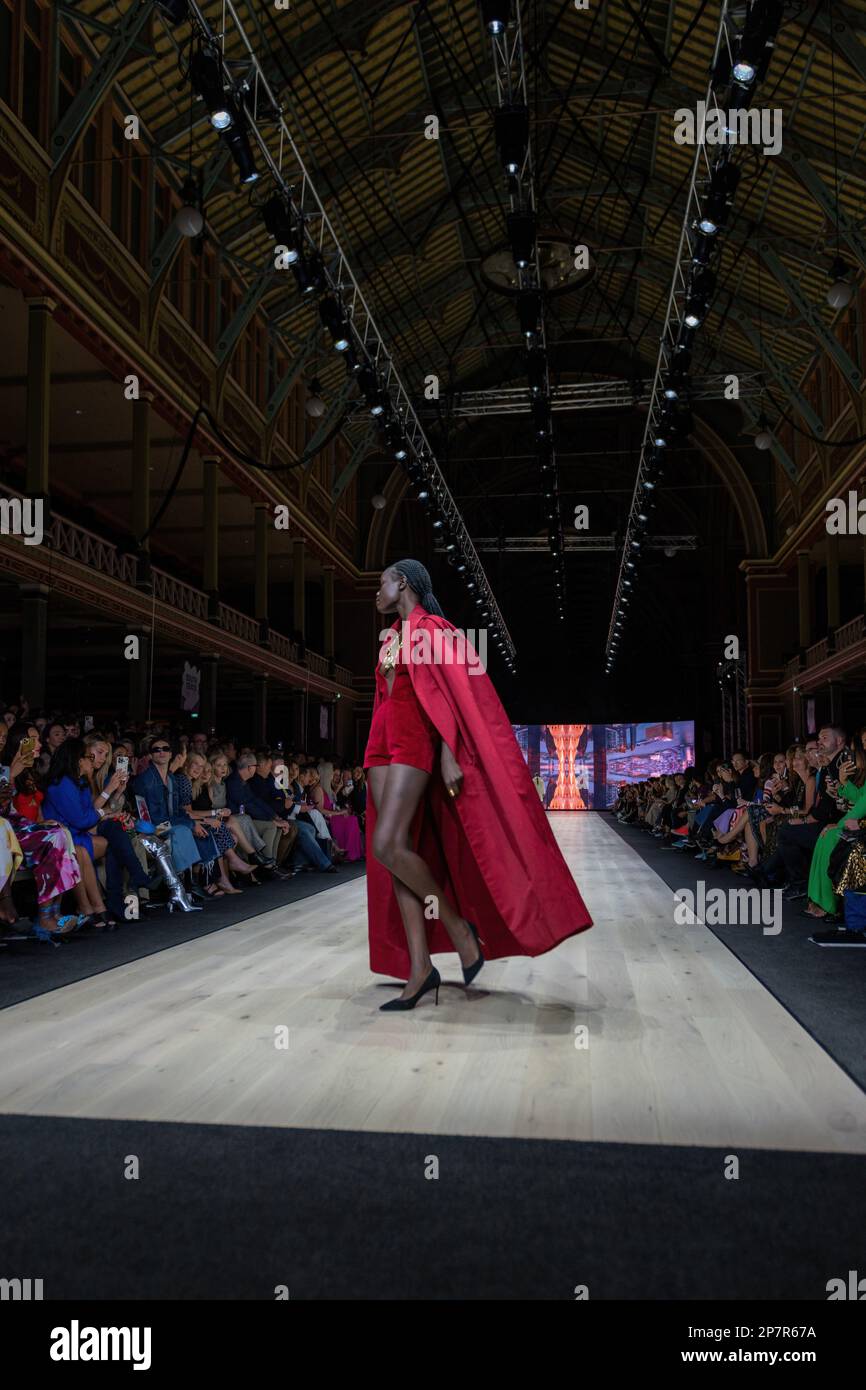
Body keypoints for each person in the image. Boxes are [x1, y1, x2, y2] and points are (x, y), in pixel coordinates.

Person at [364, 559, 592, 1011]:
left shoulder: (435, 630)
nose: (376, 592)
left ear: (403, 583)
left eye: (382, 583)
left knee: (388, 845)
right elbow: (385, 696)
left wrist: (449, 751)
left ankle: (458, 927)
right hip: (379, 745)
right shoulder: (390, 638)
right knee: (394, 856)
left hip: (413, 743)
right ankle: (420, 969)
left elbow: (459, 698)